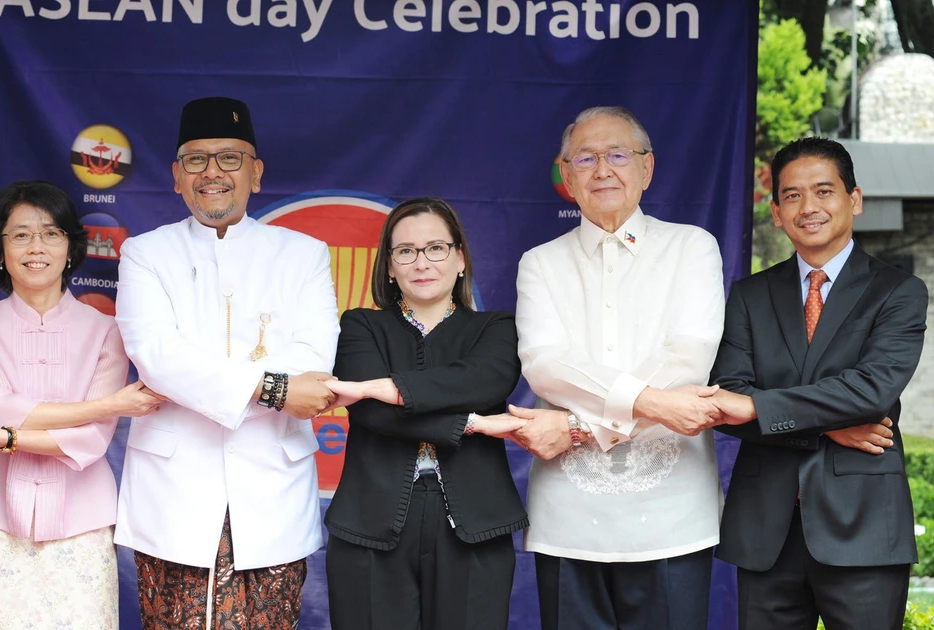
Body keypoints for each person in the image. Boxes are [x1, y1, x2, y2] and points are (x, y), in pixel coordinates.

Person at [113, 96, 340, 629]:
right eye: (196, 159)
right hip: (174, 489)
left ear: (255, 174)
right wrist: (275, 389)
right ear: (176, 176)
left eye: (230, 158)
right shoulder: (146, 253)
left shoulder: (302, 253)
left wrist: (211, 380)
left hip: (272, 485)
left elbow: (313, 360)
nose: (212, 172)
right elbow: (157, 356)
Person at [514, 106, 726, 630]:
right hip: (568, 512)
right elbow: (546, 366)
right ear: (567, 177)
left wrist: (577, 423)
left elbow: (689, 359)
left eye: (617, 155)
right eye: (584, 158)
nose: (601, 170)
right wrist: (654, 403)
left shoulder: (692, 247)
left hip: (674, 511)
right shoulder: (540, 262)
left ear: (647, 168)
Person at [710, 137, 927, 630]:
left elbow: (871, 390)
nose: (808, 207)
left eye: (824, 191)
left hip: (863, 527)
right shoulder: (749, 295)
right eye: (791, 195)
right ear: (776, 213)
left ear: (854, 199)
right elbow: (727, 399)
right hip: (767, 530)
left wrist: (761, 408)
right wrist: (828, 428)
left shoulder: (898, 292)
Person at [0, 181, 162, 629]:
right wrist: (107, 404)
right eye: (20, 234)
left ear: (71, 249)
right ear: (0, 251)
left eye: (51, 233)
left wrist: (4, 438)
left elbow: (91, 440)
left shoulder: (108, 330)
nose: (35, 246)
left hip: (82, 524)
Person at [321, 197, 529, 630]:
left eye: (436, 247)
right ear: (390, 267)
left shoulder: (496, 328)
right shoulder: (361, 325)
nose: (422, 262)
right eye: (406, 251)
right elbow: (371, 415)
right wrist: (471, 423)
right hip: (369, 521)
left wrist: (386, 389)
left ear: (460, 258)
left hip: (475, 524)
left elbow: (483, 382)